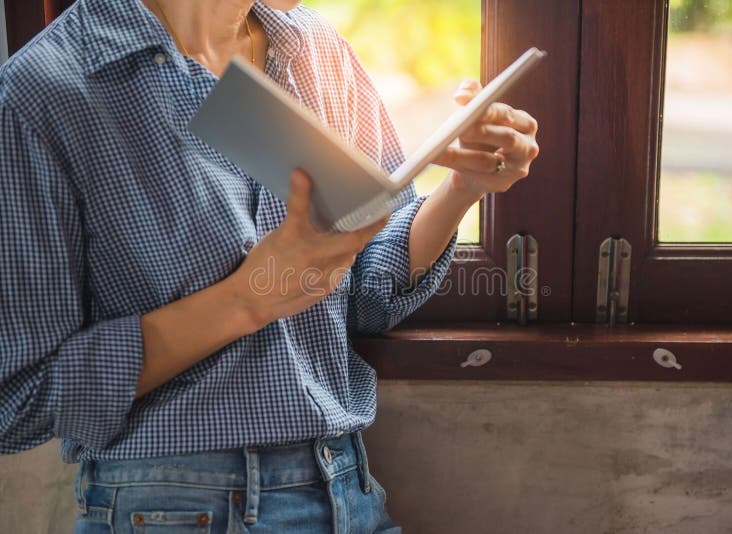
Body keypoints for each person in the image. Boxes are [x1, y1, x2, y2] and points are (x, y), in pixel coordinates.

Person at [0, 0, 539, 531]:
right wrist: (249, 297)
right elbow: (16, 399)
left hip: (347, 487)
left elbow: (368, 292)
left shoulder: (313, 48)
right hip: (170, 506)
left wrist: (461, 190)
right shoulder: (46, 90)